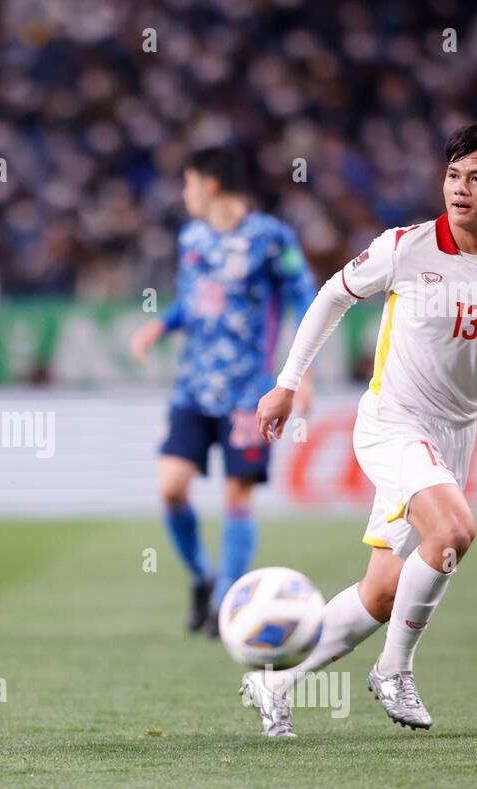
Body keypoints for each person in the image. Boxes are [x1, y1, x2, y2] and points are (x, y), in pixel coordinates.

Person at [247, 120, 477, 737]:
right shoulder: (407, 247)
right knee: (456, 529)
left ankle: (274, 683)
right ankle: (394, 670)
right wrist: (287, 380)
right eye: (453, 176)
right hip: (393, 423)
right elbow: (333, 294)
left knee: (383, 593)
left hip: (454, 439)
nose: (460, 189)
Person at [132, 148, 315, 635]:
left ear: (211, 185)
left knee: (237, 496)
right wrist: (161, 327)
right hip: (193, 387)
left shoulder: (271, 238)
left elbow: (307, 298)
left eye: (189, 183)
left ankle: (227, 601)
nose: (184, 194)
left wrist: (302, 374)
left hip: (248, 393)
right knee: (171, 488)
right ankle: (202, 576)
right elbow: (193, 302)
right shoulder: (191, 237)